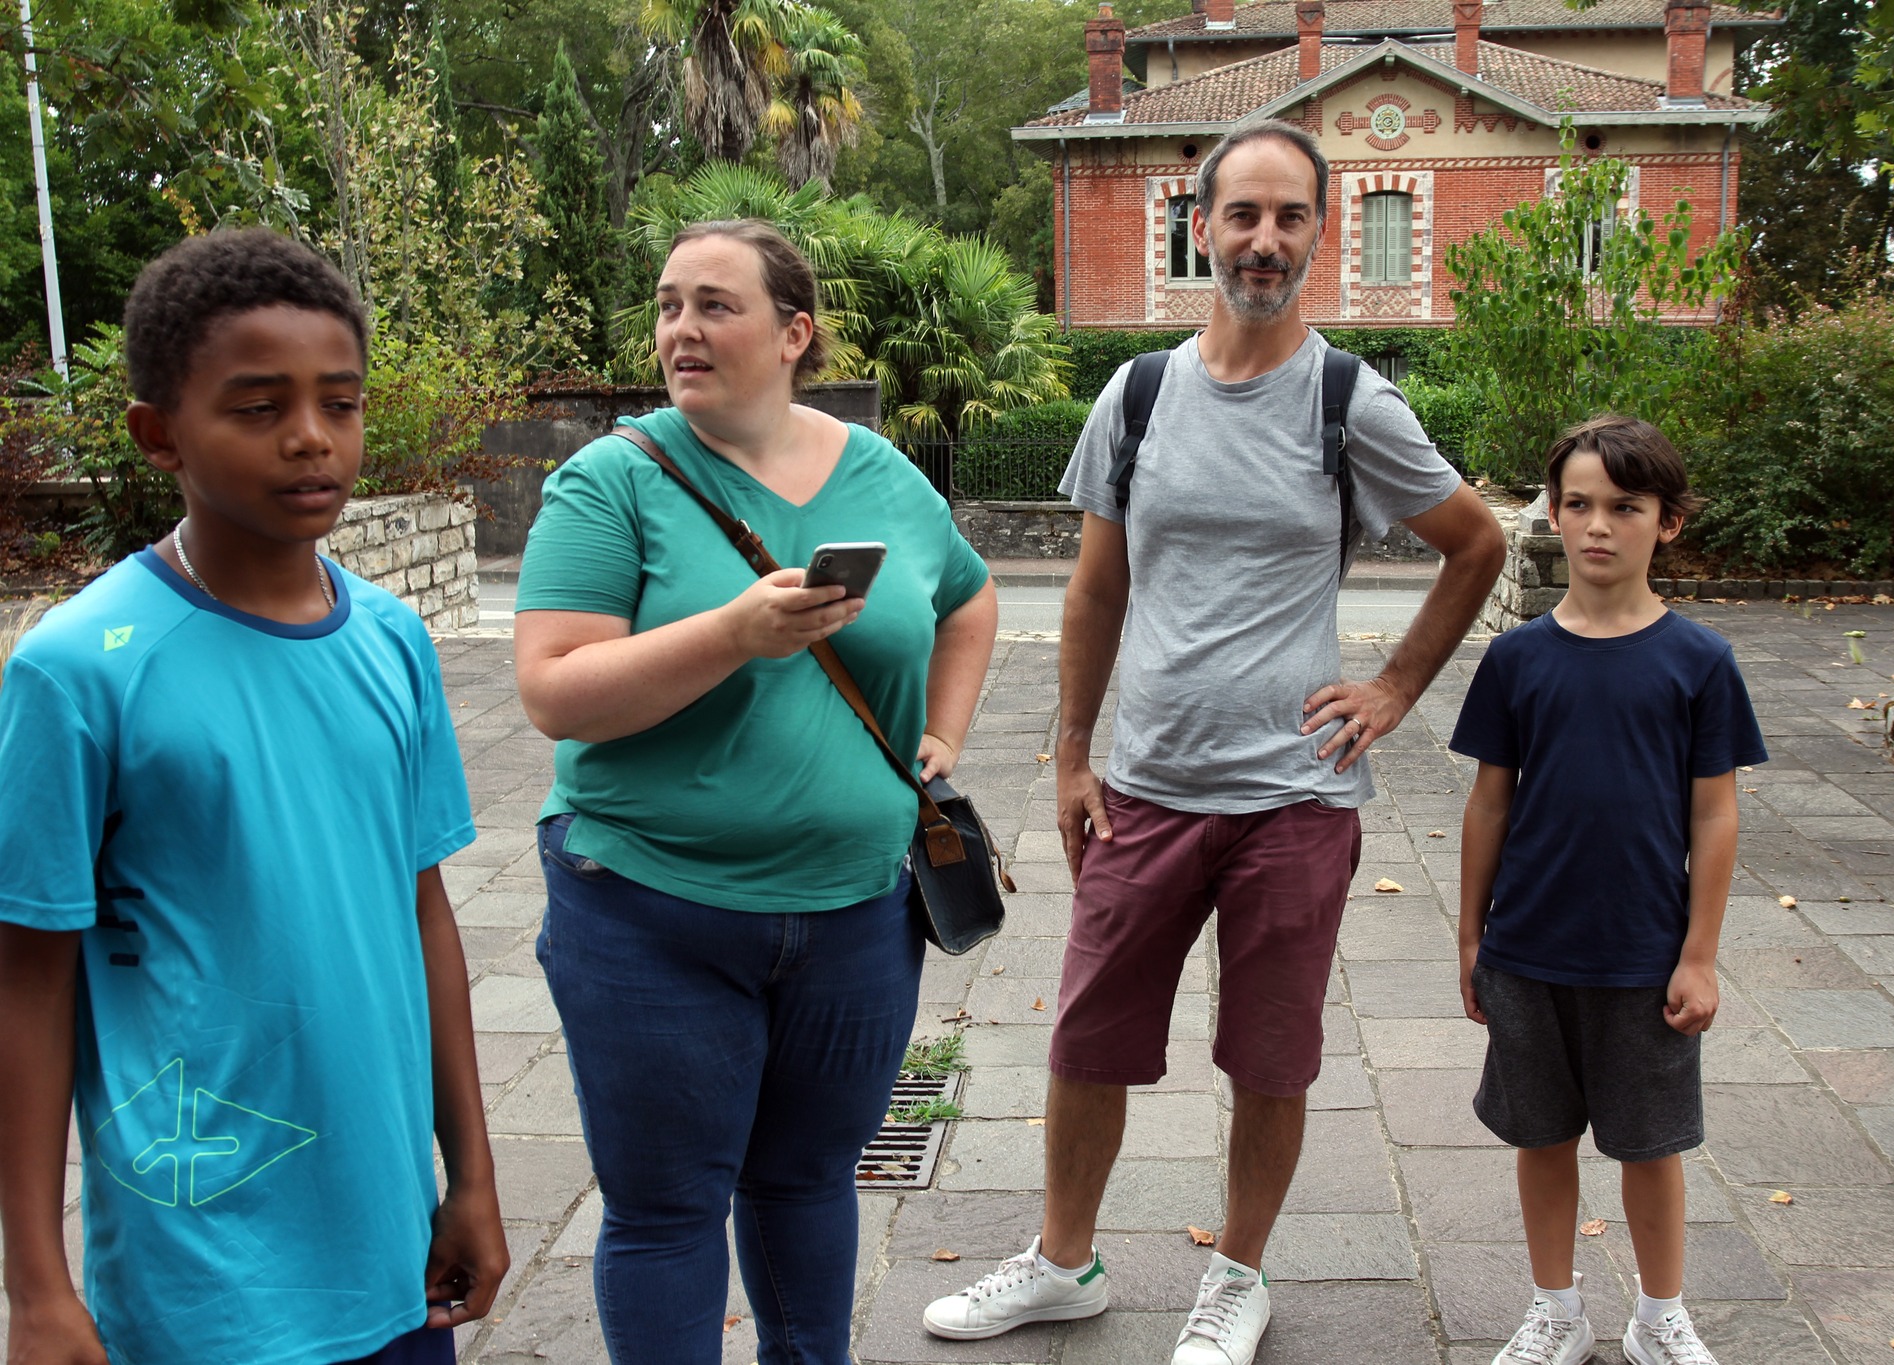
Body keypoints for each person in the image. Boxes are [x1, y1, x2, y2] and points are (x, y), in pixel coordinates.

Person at [924, 120, 1506, 1365]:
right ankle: (1063, 1263)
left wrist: (1396, 686)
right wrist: (1072, 758)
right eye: (1240, 215)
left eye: (1288, 216)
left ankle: (1235, 1279)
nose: (1262, 239)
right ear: (1201, 226)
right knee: (1086, 1042)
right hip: (1143, 789)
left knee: (1269, 1055)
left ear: (1318, 234)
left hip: (1295, 799)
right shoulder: (1137, 393)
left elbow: (1477, 543)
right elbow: (1093, 593)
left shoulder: (1351, 401)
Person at [0, 229, 508, 1365]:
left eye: (341, 401)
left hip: (390, 1252)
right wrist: (35, 1288)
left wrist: (469, 1176)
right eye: (257, 406)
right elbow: (26, 984)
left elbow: (422, 916)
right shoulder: (78, 670)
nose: (310, 438)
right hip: (201, 1277)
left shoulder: (390, 642)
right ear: (157, 433)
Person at [513, 219, 999, 1365]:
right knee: (668, 1209)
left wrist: (941, 729)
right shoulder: (609, 483)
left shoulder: (882, 475)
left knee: (806, 1184)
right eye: (669, 303)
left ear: (793, 333)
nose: (681, 327)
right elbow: (553, 692)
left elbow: (968, 602)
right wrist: (734, 633)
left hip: (857, 917)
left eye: (714, 305)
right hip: (649, 914)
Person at [1450, 416, 1767, 1365]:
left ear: (1665, 522)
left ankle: (1660, 1314)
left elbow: (1715, 816)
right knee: (1540, 1139)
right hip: (1528, 951)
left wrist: (1699, 953)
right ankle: (1556, 1308)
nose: (1598, 526)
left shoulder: (1699, 662)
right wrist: (1471, 937)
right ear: (1553, 513)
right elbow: (1489, 806)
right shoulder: (1516, 660)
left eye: (1624, 507)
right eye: (1578, 504)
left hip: (1643, 955)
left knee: (1649, 1146)